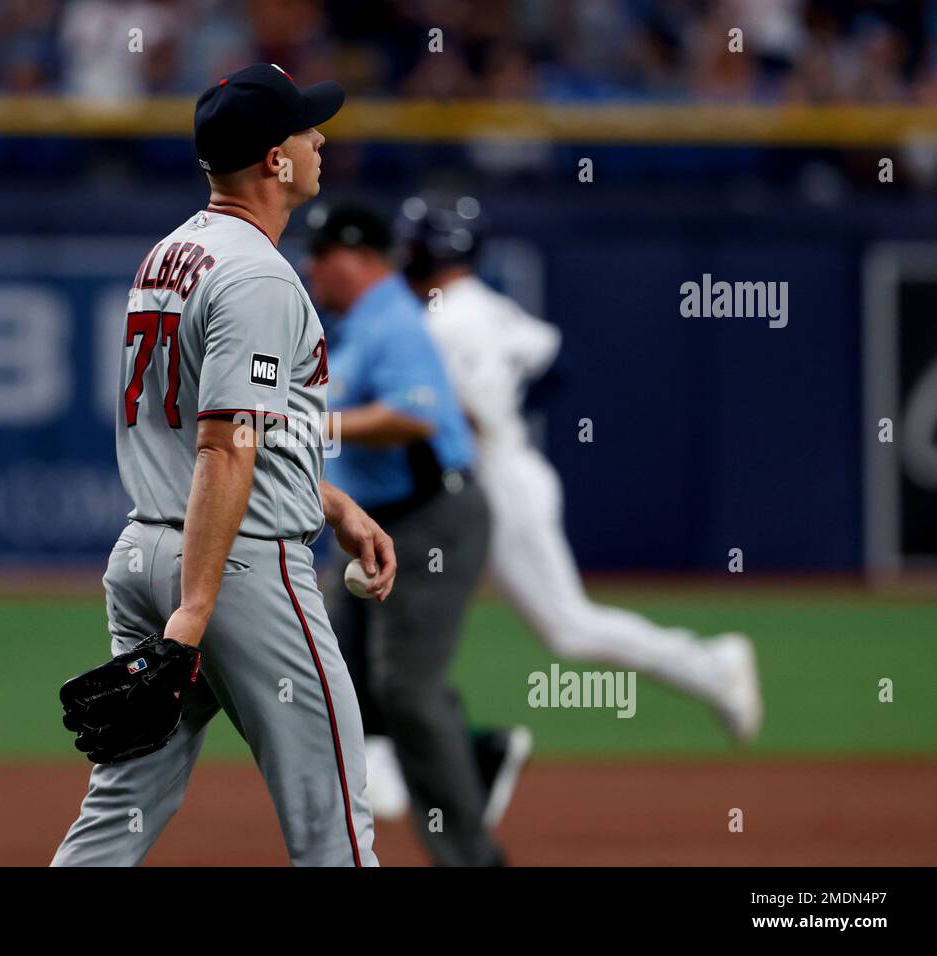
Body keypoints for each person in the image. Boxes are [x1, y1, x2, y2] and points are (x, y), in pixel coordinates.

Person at [51, 64, 396, 867]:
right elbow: (225, 446)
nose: (319, 140)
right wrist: (197, 613)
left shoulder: (170, 254)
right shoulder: (260, 276)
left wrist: (334, 504)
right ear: (275, 161)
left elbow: (223, 434)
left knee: (120, 811)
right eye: (307, 130)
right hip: (237, 569)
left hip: (144, 554)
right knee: (334, 825)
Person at [394, 193, 763, 746]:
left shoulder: (451, 320)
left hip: (497, 485)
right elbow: (551, 360)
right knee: (398, 619)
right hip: (494, 474)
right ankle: (405, 760)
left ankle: (708, 666)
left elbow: (467, 417)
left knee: (567, 628)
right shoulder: (484, 305)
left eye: (410, 244)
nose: (402, 255)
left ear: (430, 251)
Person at [305, 204, 524, 867]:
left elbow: (414, 416)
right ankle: (475, 750)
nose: (312, 269)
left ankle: (469, 857)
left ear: (356, 257)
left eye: (321, 256)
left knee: (407, 691)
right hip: (380, 521)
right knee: (332, 671)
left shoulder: (393, 318)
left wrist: (319, 427)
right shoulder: (355, 325)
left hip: (432, 518)